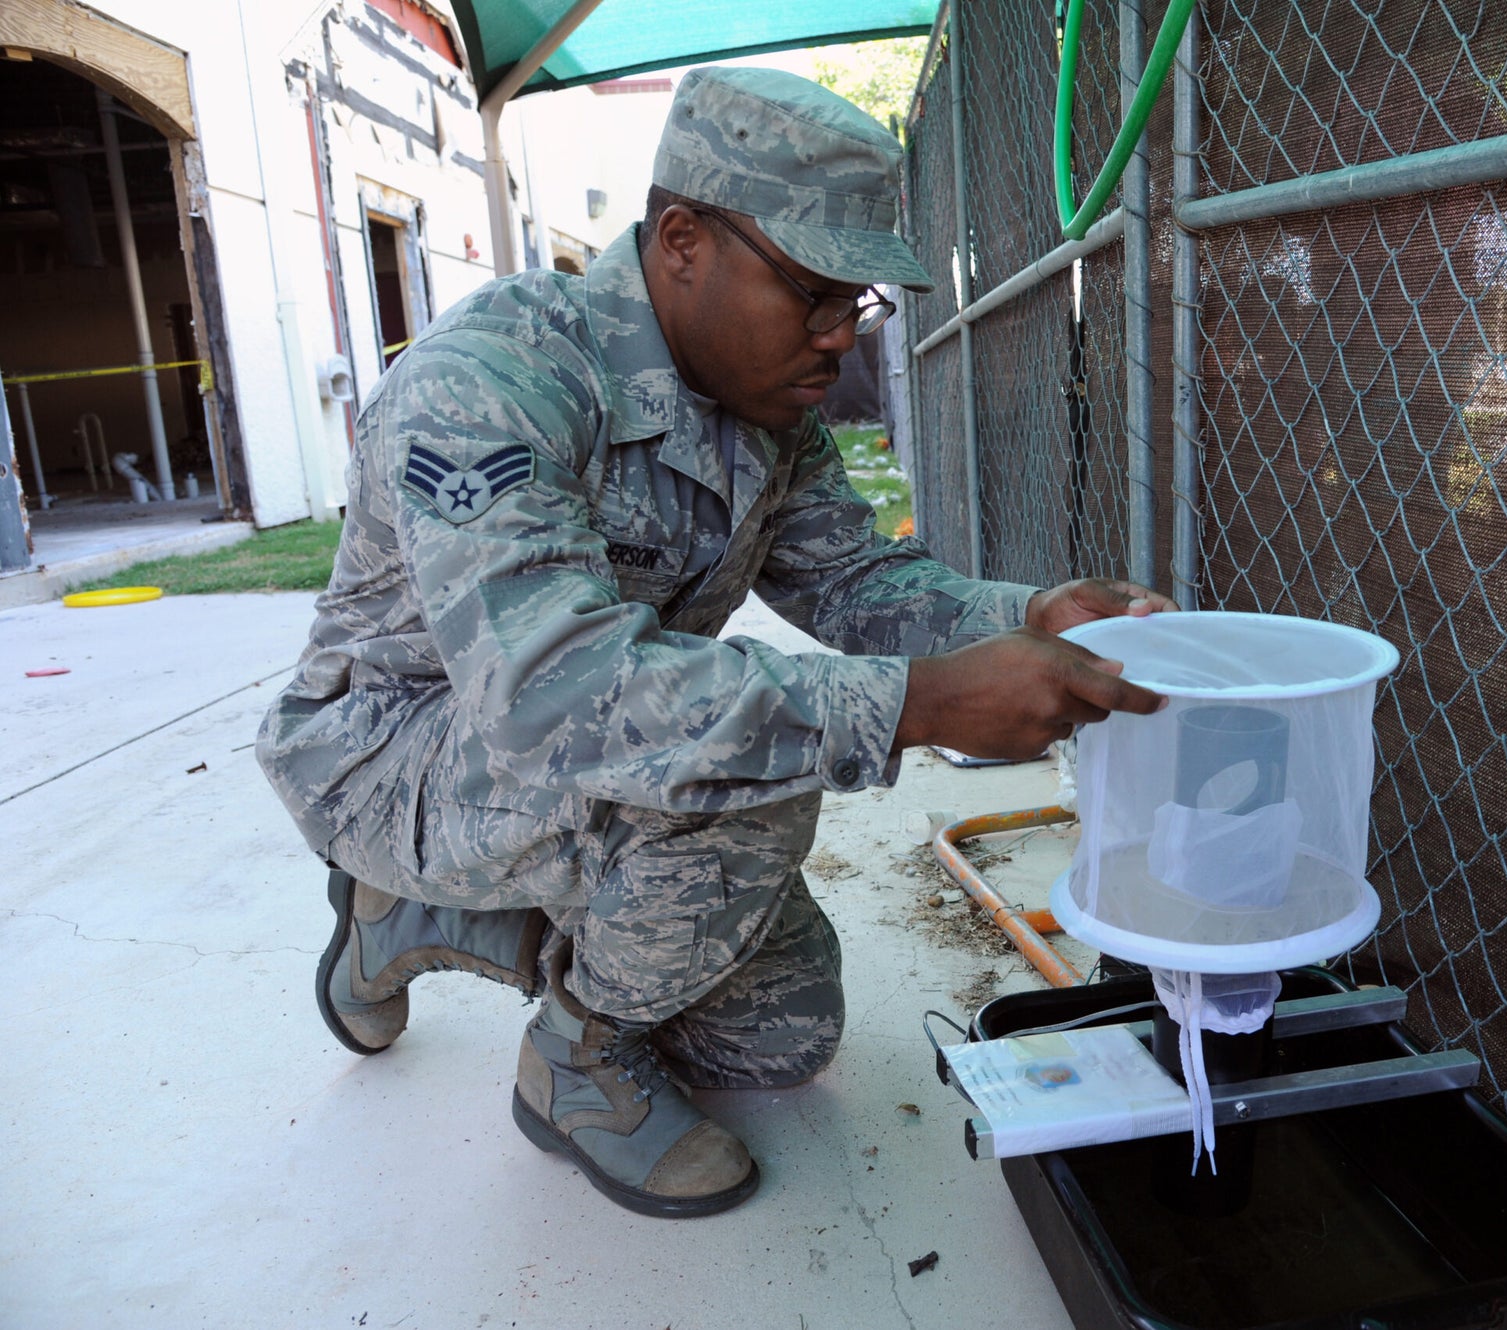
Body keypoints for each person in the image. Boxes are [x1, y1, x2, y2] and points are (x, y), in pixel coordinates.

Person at [255, 64, 1173, 1219]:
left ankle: (428, 915)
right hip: (388, 753)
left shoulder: (763, 402)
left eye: (861, 303)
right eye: (815, 292)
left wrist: (1027, 620)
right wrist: (918, 703)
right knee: (749, 786)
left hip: (565, 762)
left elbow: (858, 578)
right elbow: (558, 694)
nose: (841, 337)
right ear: (682, 238)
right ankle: (574, 1060)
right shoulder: (494, 384)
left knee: (784, 1033)